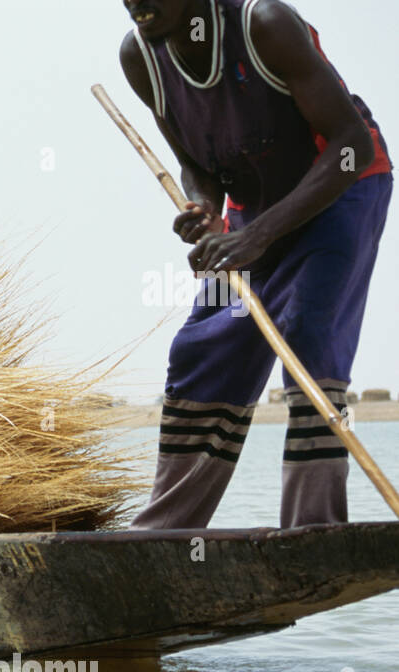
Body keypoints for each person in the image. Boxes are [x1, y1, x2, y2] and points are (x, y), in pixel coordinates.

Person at [119, 0, 392, 528]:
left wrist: (258, 237)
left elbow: (350, 146)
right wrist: (202, 206)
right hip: (254, 209)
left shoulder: (263, 25)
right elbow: (196, 164)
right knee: (206, 344)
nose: (136, 3)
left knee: (309, 334)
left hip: (342, 190)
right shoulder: (141, 57)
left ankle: (315, 533)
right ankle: (166, 534)